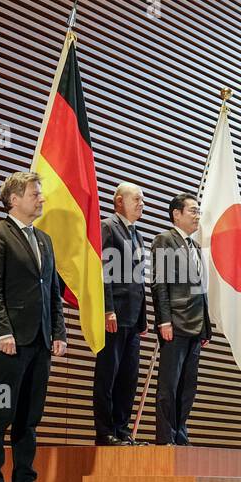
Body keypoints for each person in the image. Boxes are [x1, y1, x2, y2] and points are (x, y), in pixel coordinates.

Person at [0, 171, 66, 482]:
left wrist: (58, 332)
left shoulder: (44, 240)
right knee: (0, 415)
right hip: (9, 346)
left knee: (29, 419)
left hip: (40, 343)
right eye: (35, 194)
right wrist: (2, 331)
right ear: (14, 199)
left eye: (40, 194)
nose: (41, 199)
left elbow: (53, 293)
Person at [151, 193, 212, 445]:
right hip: (175, 323)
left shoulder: (195, 247)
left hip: (196, 326)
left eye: (198, 212)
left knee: (188, 387)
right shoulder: (165, 240)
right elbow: (159, 283)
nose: (198, 216)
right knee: (169, 385)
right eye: (193, 211)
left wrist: (206, 326)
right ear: (176, 214)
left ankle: (180, 434)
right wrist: (164, 320)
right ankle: (166, 438)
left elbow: (201, 290)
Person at [94, 182, 148, 445]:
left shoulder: (137, 234)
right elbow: (103, 270)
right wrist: (107, 309)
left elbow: (139, 280)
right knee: (108, 374)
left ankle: (122, 430)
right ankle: (105, 432)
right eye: (136, 199)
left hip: (132, 317)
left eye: (142, 200)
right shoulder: (108, 226)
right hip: (114, 314)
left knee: (128, 377)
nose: (141, 204)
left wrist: (143, 318)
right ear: (118, 202)